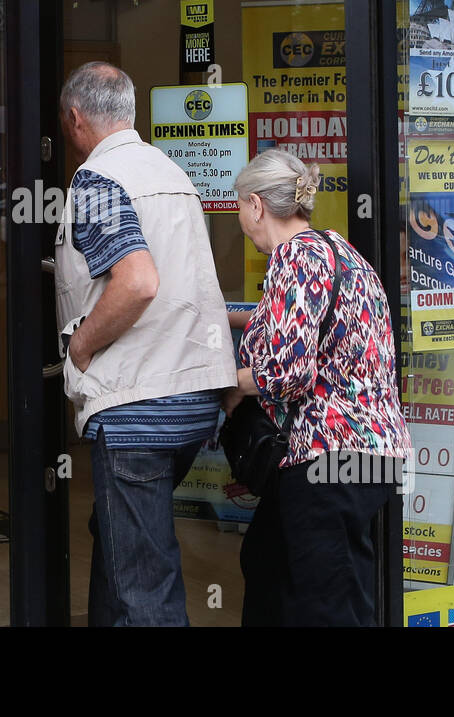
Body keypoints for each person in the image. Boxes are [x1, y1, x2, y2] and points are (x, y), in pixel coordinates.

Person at [54, 61, 236, 627]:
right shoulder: (171, 171)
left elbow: (138, 281)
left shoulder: (97, 181)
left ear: (75, 118)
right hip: (191, 401)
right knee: (118, 549)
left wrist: (81, 349)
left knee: (143, 584)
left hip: (137, 407)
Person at [223, 149, 410, 626]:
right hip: (369, 453)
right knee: (268, 563)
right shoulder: (337, 249)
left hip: (329, 458)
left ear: (257, 205)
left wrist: (233, 384)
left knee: (327, 605)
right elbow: (310, 328)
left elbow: (286, 372)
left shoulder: (295, 258)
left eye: (240, 206)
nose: (240, 220)